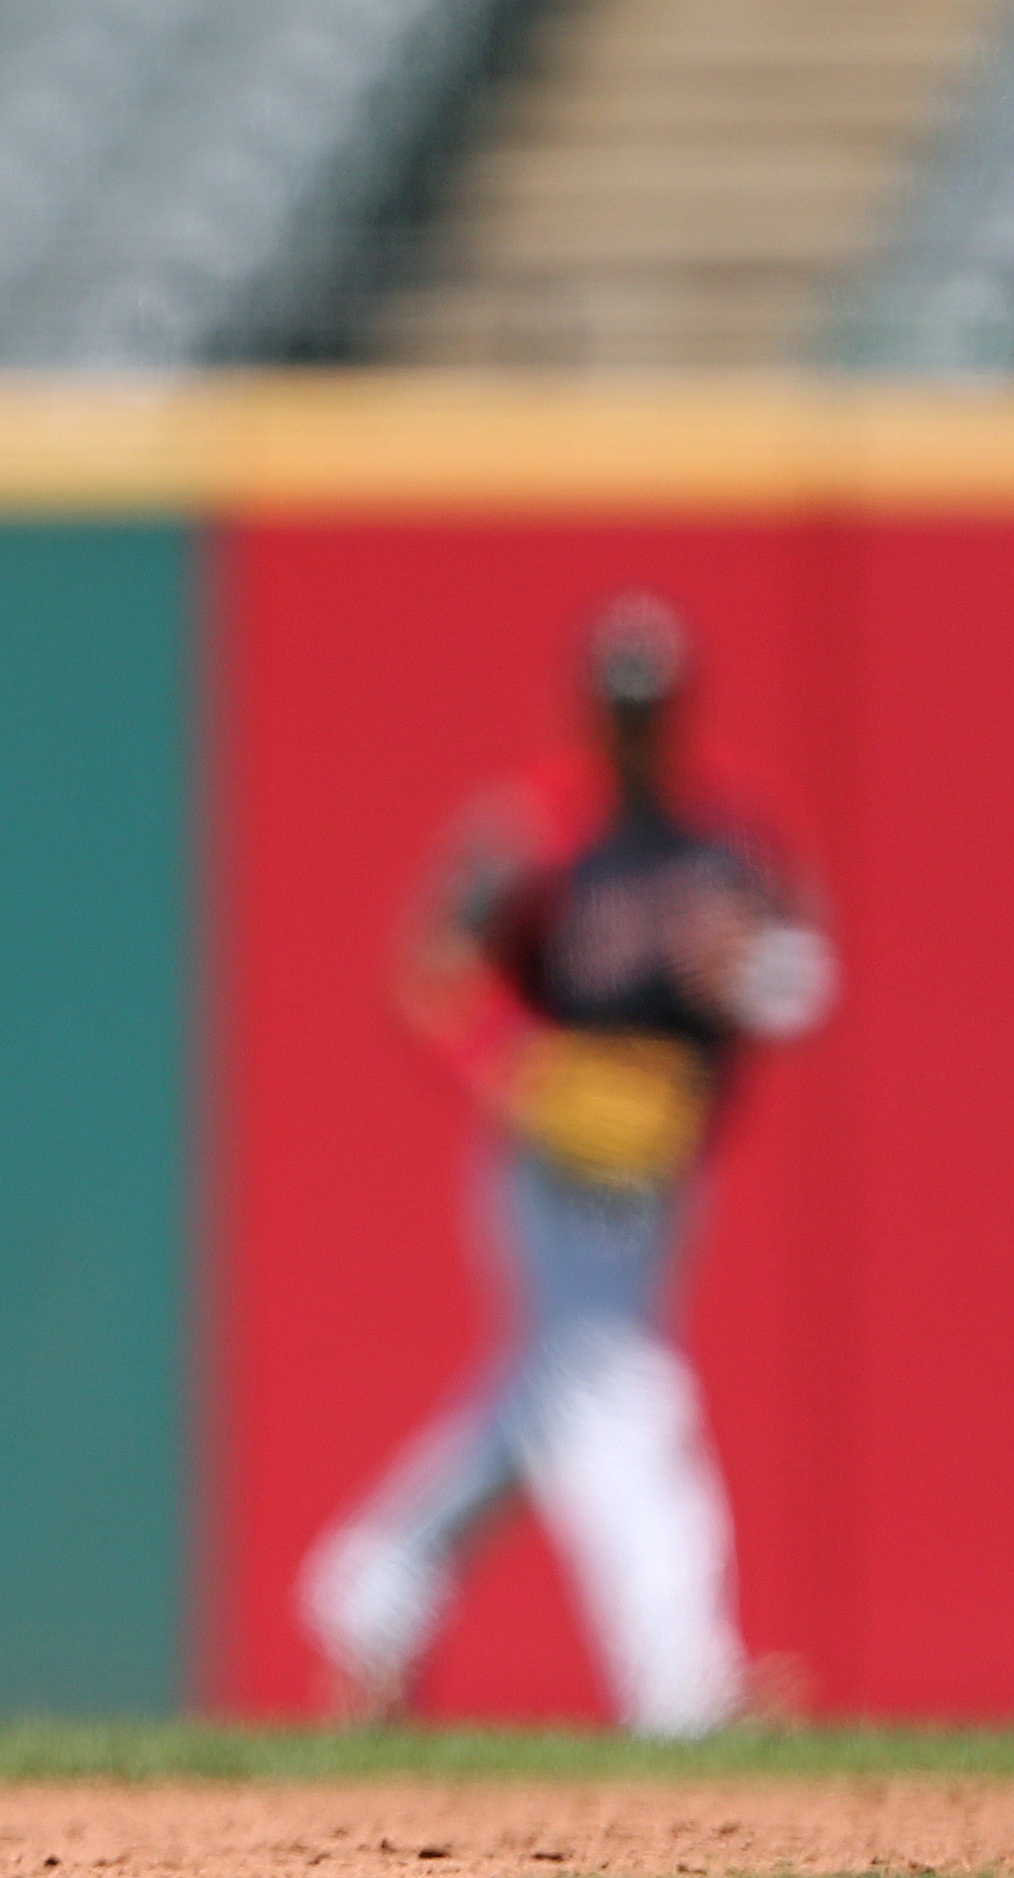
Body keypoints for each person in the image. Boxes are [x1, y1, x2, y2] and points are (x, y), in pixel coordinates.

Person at [296, 592, 834, 1739]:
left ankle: (372, 1587)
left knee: (553, 1392)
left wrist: (750, 976)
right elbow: (433, 966)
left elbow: (799, 976)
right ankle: (685, 1691)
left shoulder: (733, 828)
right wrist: (525, 1071)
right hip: (553, 1155)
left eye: (652, 705)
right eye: (619, 704)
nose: (636, 726)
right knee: (622, 1390)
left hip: (665, 1156)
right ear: (591, 708)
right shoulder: (537, 826)